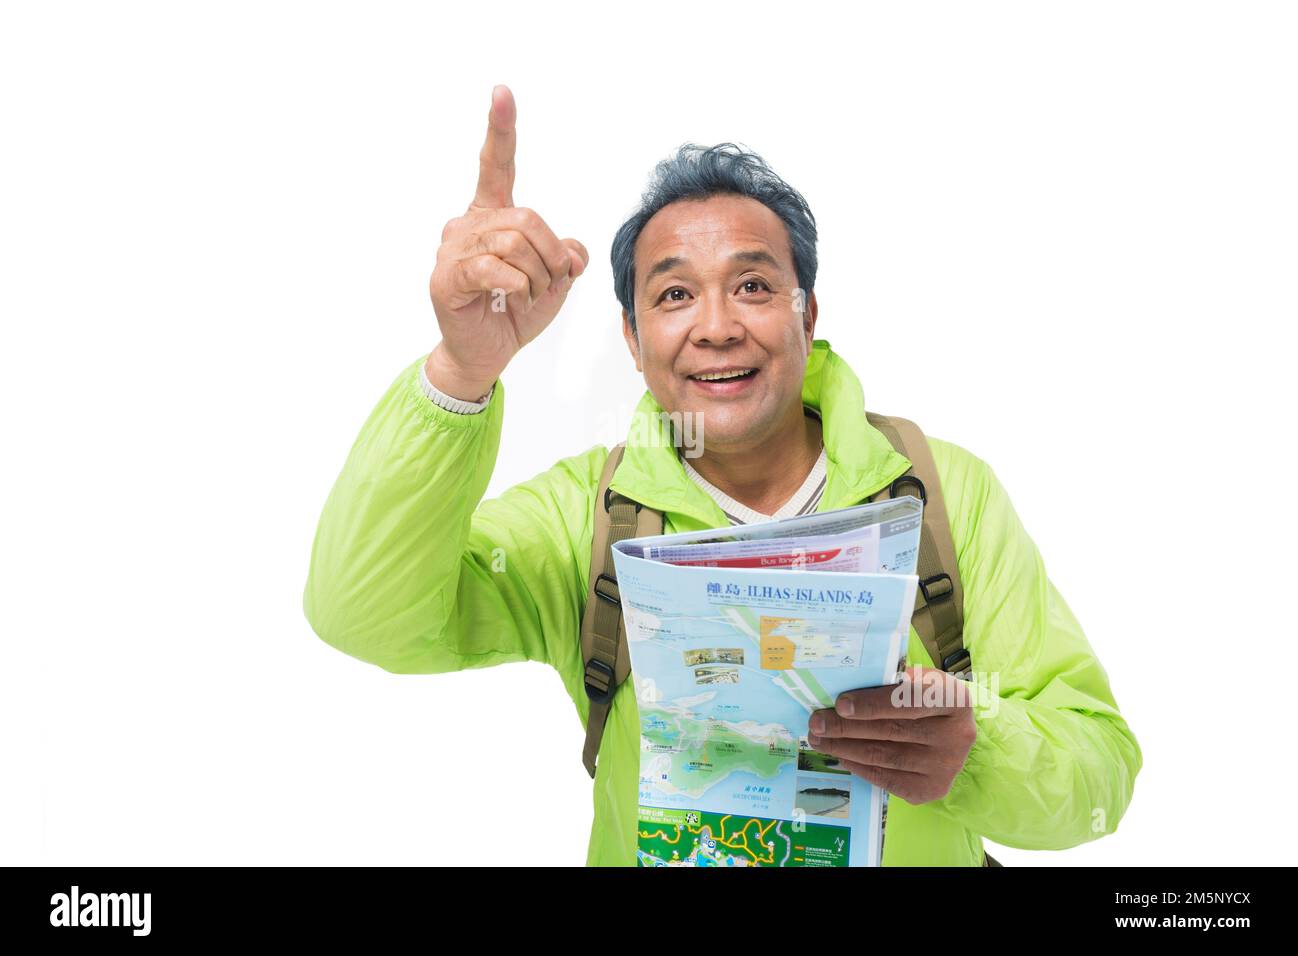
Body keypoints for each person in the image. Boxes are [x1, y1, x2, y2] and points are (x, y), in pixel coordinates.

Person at [303, 84, 1142, 866]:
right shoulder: (587, 517)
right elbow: (364, 618)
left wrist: (977, 747)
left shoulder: (940, 492)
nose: (716, 327)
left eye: (751, 285)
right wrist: (460, 368)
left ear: (806, 315)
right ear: (631, 342)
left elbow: (1099, 775)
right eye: (673, 296)